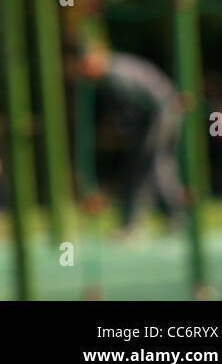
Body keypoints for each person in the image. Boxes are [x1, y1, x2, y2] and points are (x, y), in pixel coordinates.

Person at [75, 39, 188, 238]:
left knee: (145, 165)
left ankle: (134, 223)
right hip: (159, 111)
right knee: (160, 164)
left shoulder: (117, 75)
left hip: (161, 111)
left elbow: (146, 103)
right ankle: (173, 217)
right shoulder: (114, 71)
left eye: (86, 64)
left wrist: (136, 132)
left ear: (97, 59)